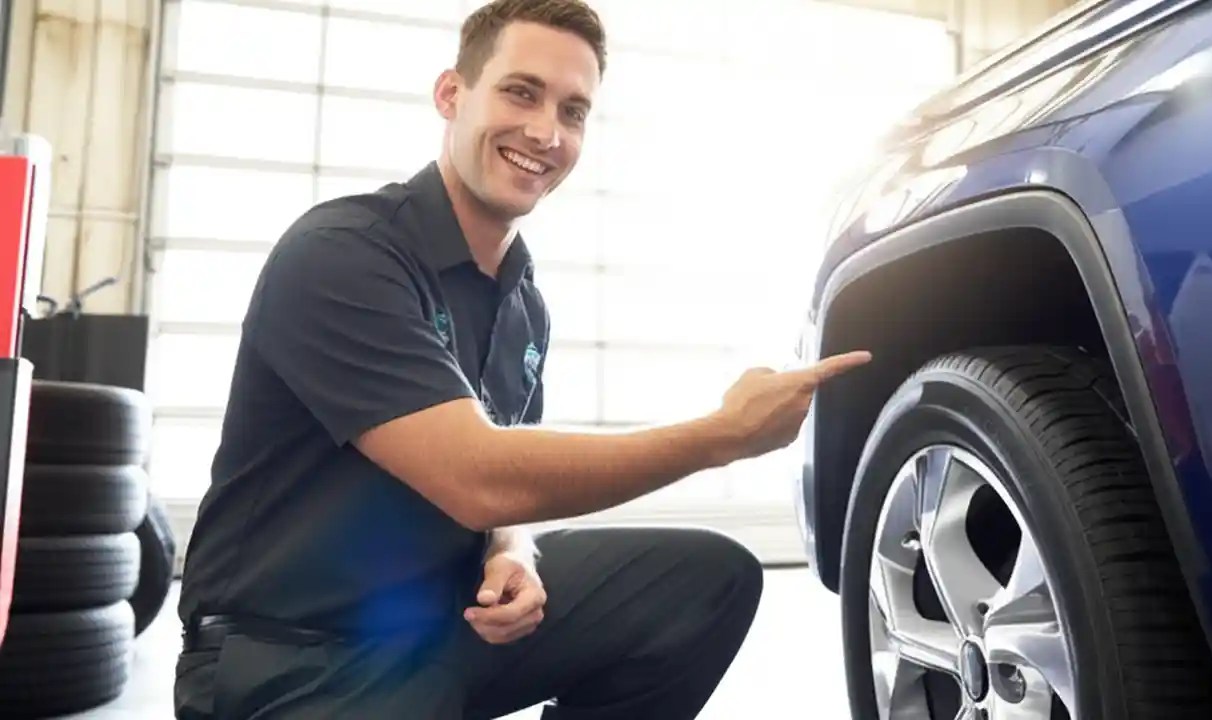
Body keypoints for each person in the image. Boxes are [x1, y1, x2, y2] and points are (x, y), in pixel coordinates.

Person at [172, 0, 872, 718]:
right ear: (452, 94)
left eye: (573, 111)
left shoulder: (523, 302)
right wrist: (722, 436)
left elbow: (506, 497)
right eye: (520, 92)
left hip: (438, 627)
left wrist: (513, 553)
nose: (546, 132)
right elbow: (478, 477)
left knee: (706, 581)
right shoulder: (343, 255)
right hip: (292, 659)